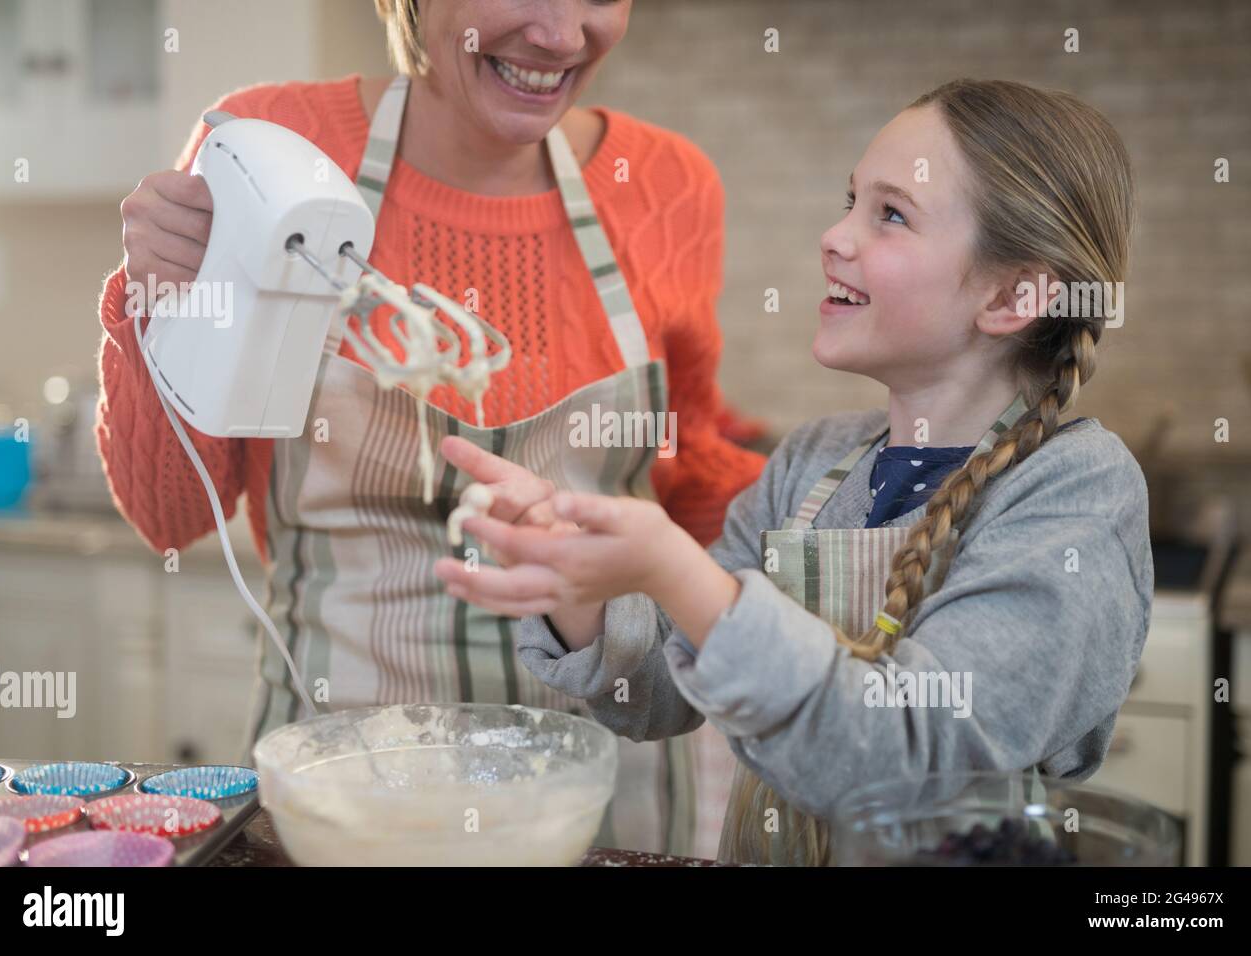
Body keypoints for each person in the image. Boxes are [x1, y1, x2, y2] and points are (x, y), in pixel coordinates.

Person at [95, 0, 763, 855]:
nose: (562, 37)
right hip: (343, 788)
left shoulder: (668, 185)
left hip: (593, 797)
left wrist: (844, 525)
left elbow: (688, 469)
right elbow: (171, 518)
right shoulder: (275, 152)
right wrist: (152, 297)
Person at [435, 78, 1153, 864]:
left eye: (890, 214)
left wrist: (678, 570)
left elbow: (915, 755)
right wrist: (580, 592)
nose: (835, 236)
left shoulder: (1075, 490)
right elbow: (662, 690)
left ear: (1014, 294)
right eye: (850, 200)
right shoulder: (813, 462)